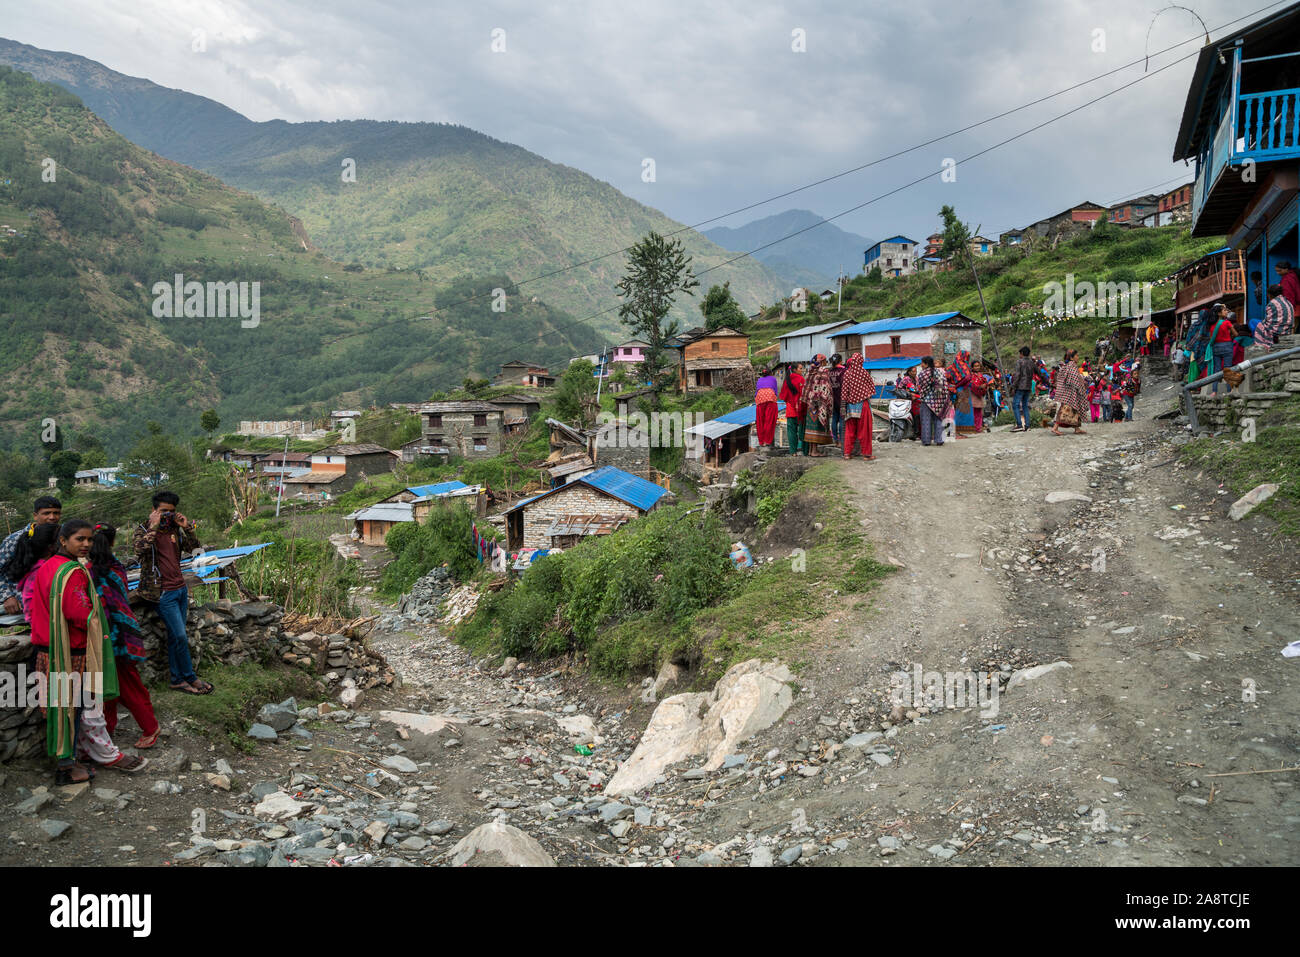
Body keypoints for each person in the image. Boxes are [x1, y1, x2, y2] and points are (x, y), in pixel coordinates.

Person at [28, 519, 147, 783]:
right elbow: (78, 612)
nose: (86, 545)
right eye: (79, 539)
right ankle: (70, 768)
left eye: (89, 540)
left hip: (49, 649)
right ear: (63, 540)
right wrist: (98, 621)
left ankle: (74, 759)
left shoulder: (49, 568)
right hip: (71, 651)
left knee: (63, 708)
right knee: (78, 707)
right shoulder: (74, 571)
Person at [132, 491, 213, 695]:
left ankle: (178, 679)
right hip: (162, 592)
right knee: (179, 635)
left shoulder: (174, 530)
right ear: (154, 510)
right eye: (163, 511)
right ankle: (189, 677)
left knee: (176, 637)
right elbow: (140, 550)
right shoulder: (143, 529)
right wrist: (154, 526)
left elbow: (196, 550)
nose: (168, 515)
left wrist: (187, 528)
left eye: (171, 512)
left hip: (180, 589)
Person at [90, 524, 160, 749]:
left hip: (108, 637)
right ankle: (108, 729)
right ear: (111, 543)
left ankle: (150, 727)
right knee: (114, 684)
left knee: (124, 685)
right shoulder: (117, 567)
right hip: (122, 633)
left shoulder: (89, 572)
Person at [0, 496, 61, 614]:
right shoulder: (15, 540)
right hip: (24, 608)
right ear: (35, 515)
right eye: (46, 513)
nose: (52, 517)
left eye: (56, 513)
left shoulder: (64, 538)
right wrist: (7, 596)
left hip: (56, 607)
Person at [841, 353, 876, 459]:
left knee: (849, 431)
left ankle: (847, 453)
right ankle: (866, 454)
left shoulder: (847, 373)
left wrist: (843, 406)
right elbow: (871, 387)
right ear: (861, 361)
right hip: (863, 405)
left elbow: (844, 391)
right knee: (864, 431)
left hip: (850, 406)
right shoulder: (864, 372)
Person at [1051, 349, 1089, 436]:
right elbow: (1073, 380)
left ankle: (1077, 428)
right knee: (1065, 411)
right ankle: (1055, 428)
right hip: (1070, 393)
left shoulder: (1068, 366)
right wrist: (1081, 385)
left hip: (1070, 392)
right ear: (1072, 357)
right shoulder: (1072, 366)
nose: (1078, 357)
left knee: (1075, 410)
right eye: (1076, 355)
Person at [802, 356, 834, 457]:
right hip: (819, 404)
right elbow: (826, 387)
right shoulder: (823, 371)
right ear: (822, 361)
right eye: (825, 361)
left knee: (811, 426)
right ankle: (814, 451)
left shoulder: (809, 372)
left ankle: (812, 450)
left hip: (810, 403)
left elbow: (806, 388)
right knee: (816, 426)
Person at [915, 355, 950, 446]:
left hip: (926, 401)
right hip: (939, 400)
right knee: (938, 419)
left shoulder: (922, 374)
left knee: (926, 420)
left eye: (922, 363)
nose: (921, 365)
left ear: (926, 364)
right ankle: (939, 440)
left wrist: (923, 393)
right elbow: (944, 385)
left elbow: (919, 387)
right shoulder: (940, 372)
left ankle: (926, 441)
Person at [1207, 304, 1236, 395]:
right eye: (1224, 310)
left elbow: (1211, 338)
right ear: (1219, 313)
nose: (1227, 311)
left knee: (1217, 369)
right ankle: (1229, 390)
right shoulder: (1227, 323)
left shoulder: (1212, 326)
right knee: (1227, 369)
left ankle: (1214, 391)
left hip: (1216, 348)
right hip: (1227, 346)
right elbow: (1235, 334)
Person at [1256, 283, 1296, 348]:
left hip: (1276, 332)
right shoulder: (1288, 302)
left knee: (1255, 323)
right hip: (1288, 331)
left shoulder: (1272, 303)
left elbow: (1268, 322)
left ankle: (1262, 346)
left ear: (1269, 294)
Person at [778, 364, 805, 455]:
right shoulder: (801, 379)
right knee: (802, 430)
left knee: (791, 432)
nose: (802, 370)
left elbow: (783, 396)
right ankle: (805, 451)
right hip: (801, 409)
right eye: (800, 368)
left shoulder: (787, 381)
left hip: (790, 410)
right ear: (795, 369)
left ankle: (793, 452)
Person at [1009, 346, 1036, 433]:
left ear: (1022, 354)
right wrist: (1047, 383)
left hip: (1020, 386)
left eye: (1020, 354)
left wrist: (1013, 386)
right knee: (1025, 406)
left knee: (1015, 405)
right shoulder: (1032, 362)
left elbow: (1017, 375)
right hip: (1028, 387)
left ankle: (1019, 425)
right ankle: (1027, 425)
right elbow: (1039, 373)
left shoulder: (1019, 362)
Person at [754, 368, 780, 447]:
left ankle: (761, 442)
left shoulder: (759, 380)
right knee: (769, 419)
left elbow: (756, 392)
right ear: (771, 373)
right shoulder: (773, 379)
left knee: (760, 420)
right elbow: (775, 391)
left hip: (759, 398)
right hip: (770, 397)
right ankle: (767, 441)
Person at [827, 354, 846, 445]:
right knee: (842, 419)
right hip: (842, 398)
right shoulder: (843, 371)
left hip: (832, 398)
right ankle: (842, 440)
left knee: (834, 419)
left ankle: (835, 439)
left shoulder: (829, 372)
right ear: (840, 361)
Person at [969, 359, 989, 433]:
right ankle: (974, 427)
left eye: (978, 366)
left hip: (980, 395)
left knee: (979, 412)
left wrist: (985, 385)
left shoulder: (981, 375)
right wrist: (979, 387)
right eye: (975, 366)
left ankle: (978, 427)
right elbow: (972, 385)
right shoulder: (971, 375)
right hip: (973, 395)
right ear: (972, 367)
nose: (977, 367)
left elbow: (985, 382)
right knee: (973, 412)